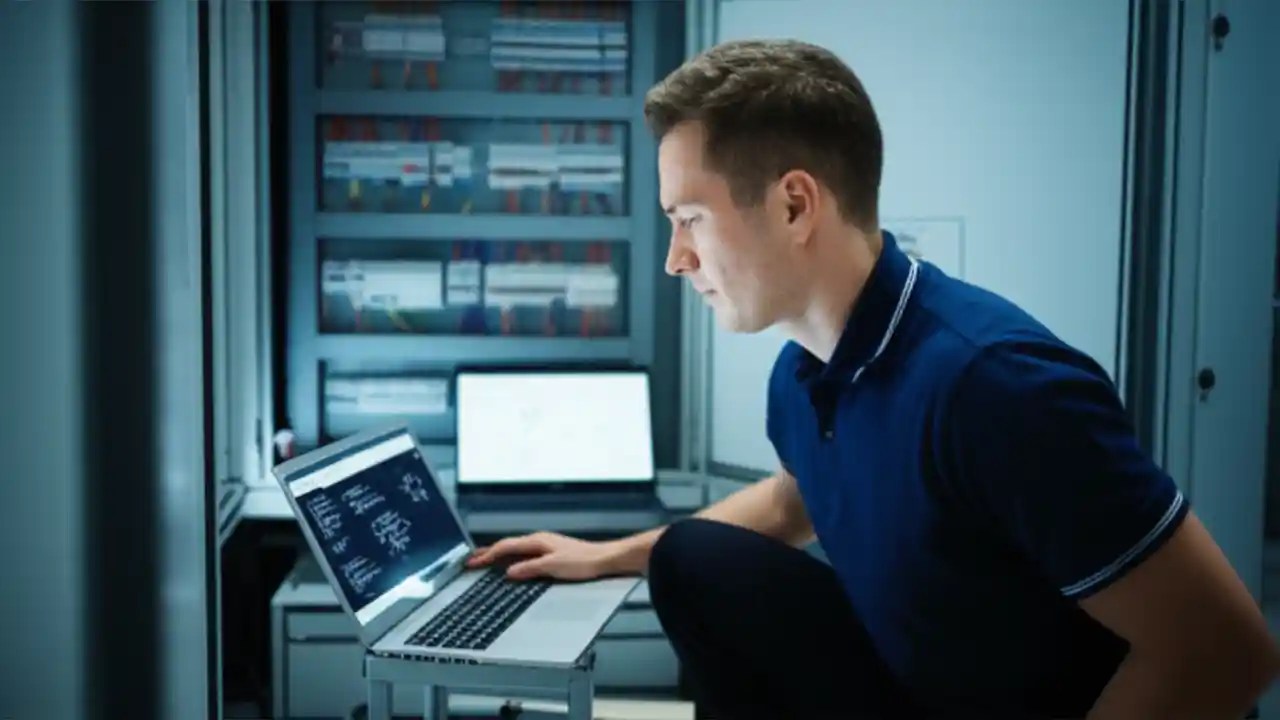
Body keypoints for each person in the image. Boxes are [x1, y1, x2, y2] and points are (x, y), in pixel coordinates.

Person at [467, 39, 1280, 718]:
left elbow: (1228, 653)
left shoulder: (996, 387)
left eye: (689, 221)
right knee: (691, 560)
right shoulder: (803, 373)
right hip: (927, 680)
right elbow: (794, 501)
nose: (679, 260)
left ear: (794, 206)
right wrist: (610, 555)